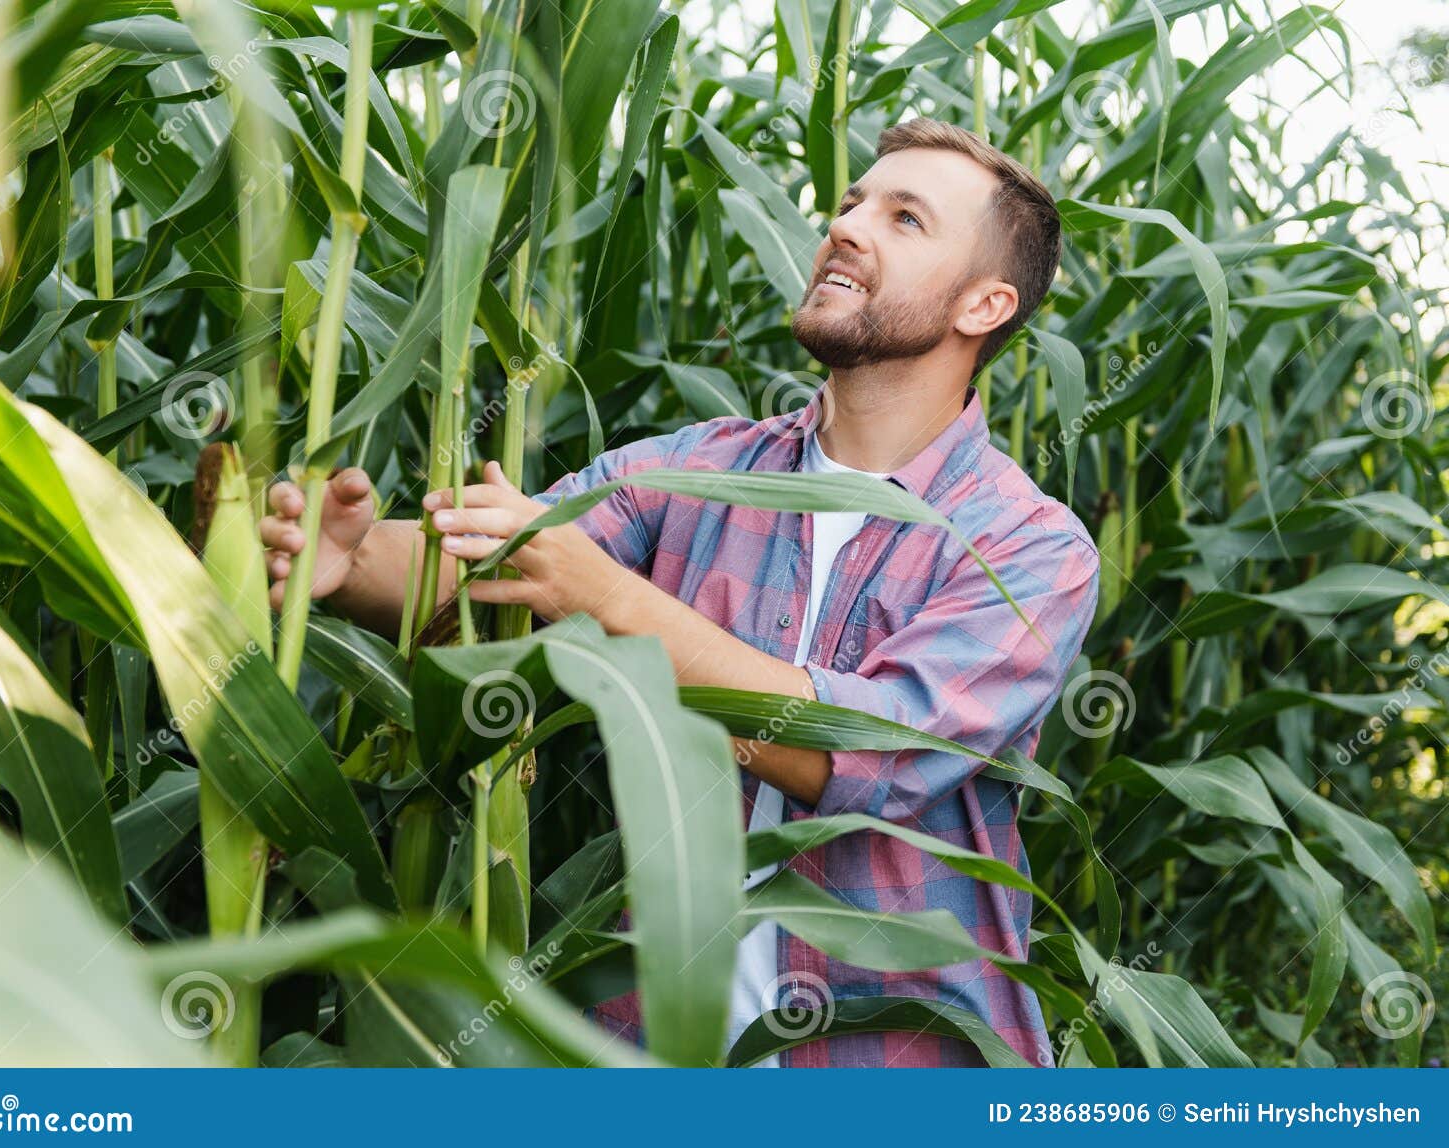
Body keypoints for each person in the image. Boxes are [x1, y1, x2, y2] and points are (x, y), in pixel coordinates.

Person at [260, 118, 1099, 1068]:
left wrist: (611, 600)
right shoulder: (698, 468)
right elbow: (495, 566)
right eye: (853, 201)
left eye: (905, 219)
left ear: (985, 306)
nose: (847, 225)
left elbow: (870, 751)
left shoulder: (1027, 547)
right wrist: (351, 561)